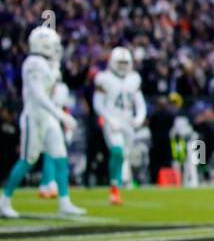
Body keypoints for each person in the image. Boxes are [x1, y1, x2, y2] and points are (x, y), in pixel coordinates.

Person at [0, 26, 83, 218]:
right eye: (52, 45)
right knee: (28, 160)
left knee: (61, 157)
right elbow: (38, 96)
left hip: (48, 117)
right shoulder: (33, 63)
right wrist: (61, 115)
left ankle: (65, 202)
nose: (55, 49)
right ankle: (4, 201)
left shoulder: (49, 65)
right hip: (34, 117)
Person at [93, 46, 146, 205]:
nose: (123, 66)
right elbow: (98, 104)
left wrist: (139, 118)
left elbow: (140, 102)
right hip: (113, 119)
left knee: (124, 155)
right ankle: (114, 189)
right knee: (117, 151)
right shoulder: (104, 78)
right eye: (120, 62)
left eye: (125, 63)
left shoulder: (134, 78)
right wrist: (109, 119)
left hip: (128, 121)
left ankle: (121, 184)